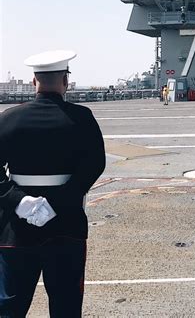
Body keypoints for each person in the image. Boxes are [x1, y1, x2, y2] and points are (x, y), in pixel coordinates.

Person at [0, 50, 105, 318]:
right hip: (66, 225)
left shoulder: (7, 119)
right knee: (66, 305)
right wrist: (57, 203)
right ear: (66, 81)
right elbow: (94, 165)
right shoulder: (82, 118)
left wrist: (19, 201)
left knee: (10, 307)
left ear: (34, 81)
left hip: (15, 229)